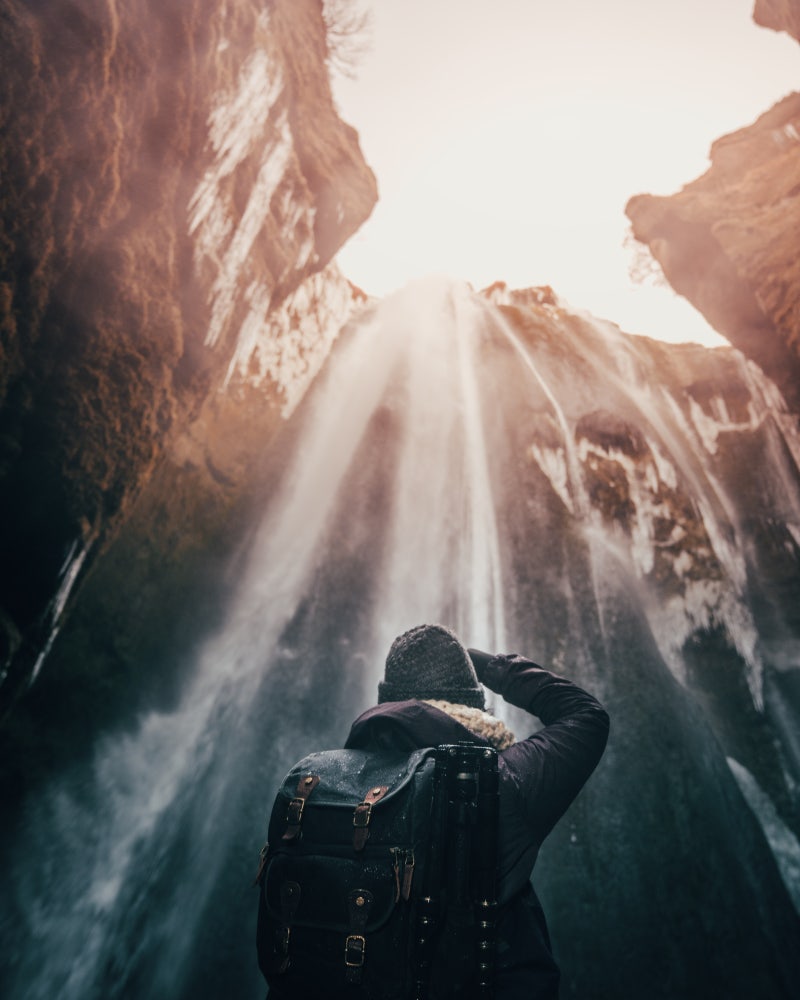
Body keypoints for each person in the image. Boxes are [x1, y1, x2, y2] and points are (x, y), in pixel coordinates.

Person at [343, 623, 610, 999]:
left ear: (387, 704)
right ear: (473, 703)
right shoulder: (502, 782)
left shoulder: (341, 782)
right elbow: (586, 714)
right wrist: (485, 665)